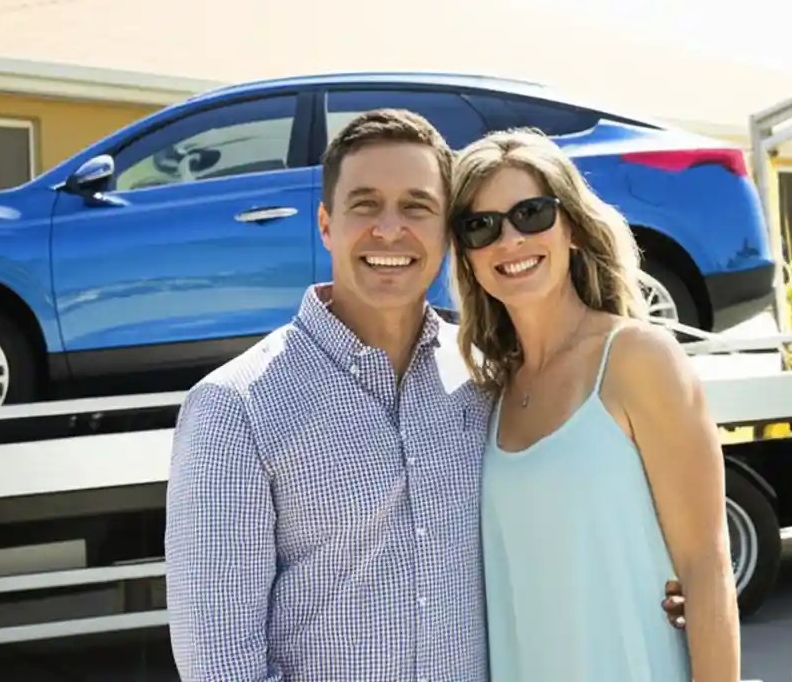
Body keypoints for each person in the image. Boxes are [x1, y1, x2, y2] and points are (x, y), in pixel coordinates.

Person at [164, 109, 687, 682]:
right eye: (365, 205)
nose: (390, 230)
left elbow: (571, 517)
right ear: (326, 224)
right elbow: (219, 662)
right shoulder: (235, 408)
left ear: (446, 234)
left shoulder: (487, 382)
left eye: (417, 207)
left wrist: (668, 587)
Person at [448, 128, 740, 682]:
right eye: (481, 226)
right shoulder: (490, 394)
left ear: (574, 228)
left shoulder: (637, 359)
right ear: (468, 257)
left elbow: (706, 566)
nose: (510, 240)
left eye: (531, 214)